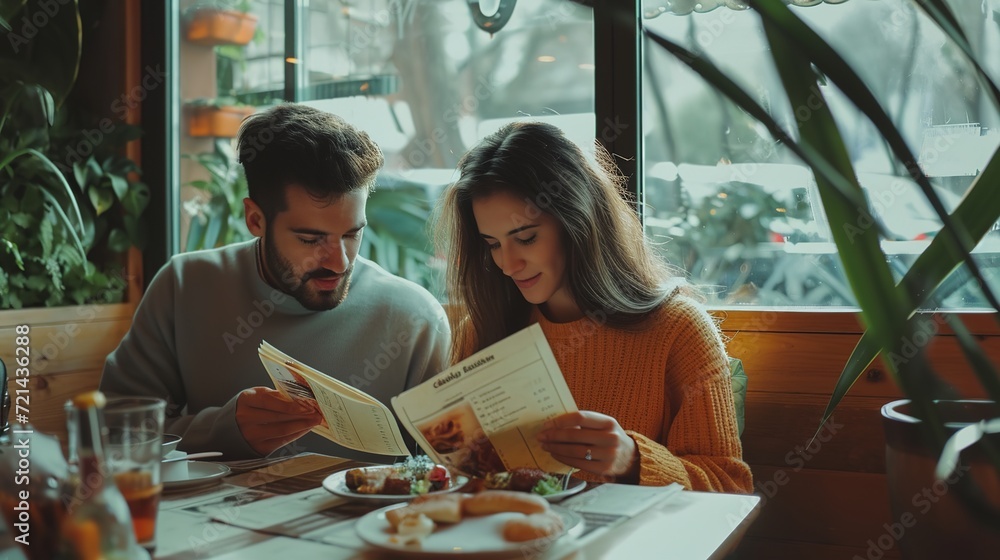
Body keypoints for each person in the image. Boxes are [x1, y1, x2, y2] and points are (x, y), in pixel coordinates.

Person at [101, 104, 450, 462]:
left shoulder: (416, 319)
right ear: (255, 219)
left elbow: (446, 469)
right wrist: (222, 431)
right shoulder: (184, 286)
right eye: (311, 240)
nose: (339, 262)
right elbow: (111, 430)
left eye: (351, 234)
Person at [437, 121, 752, 492]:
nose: (507, 264)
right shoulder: (481, 330)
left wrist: (632, 459)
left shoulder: (677, 329)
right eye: (492, 244)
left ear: (579, 221)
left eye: (526, 238)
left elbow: (731, 487)